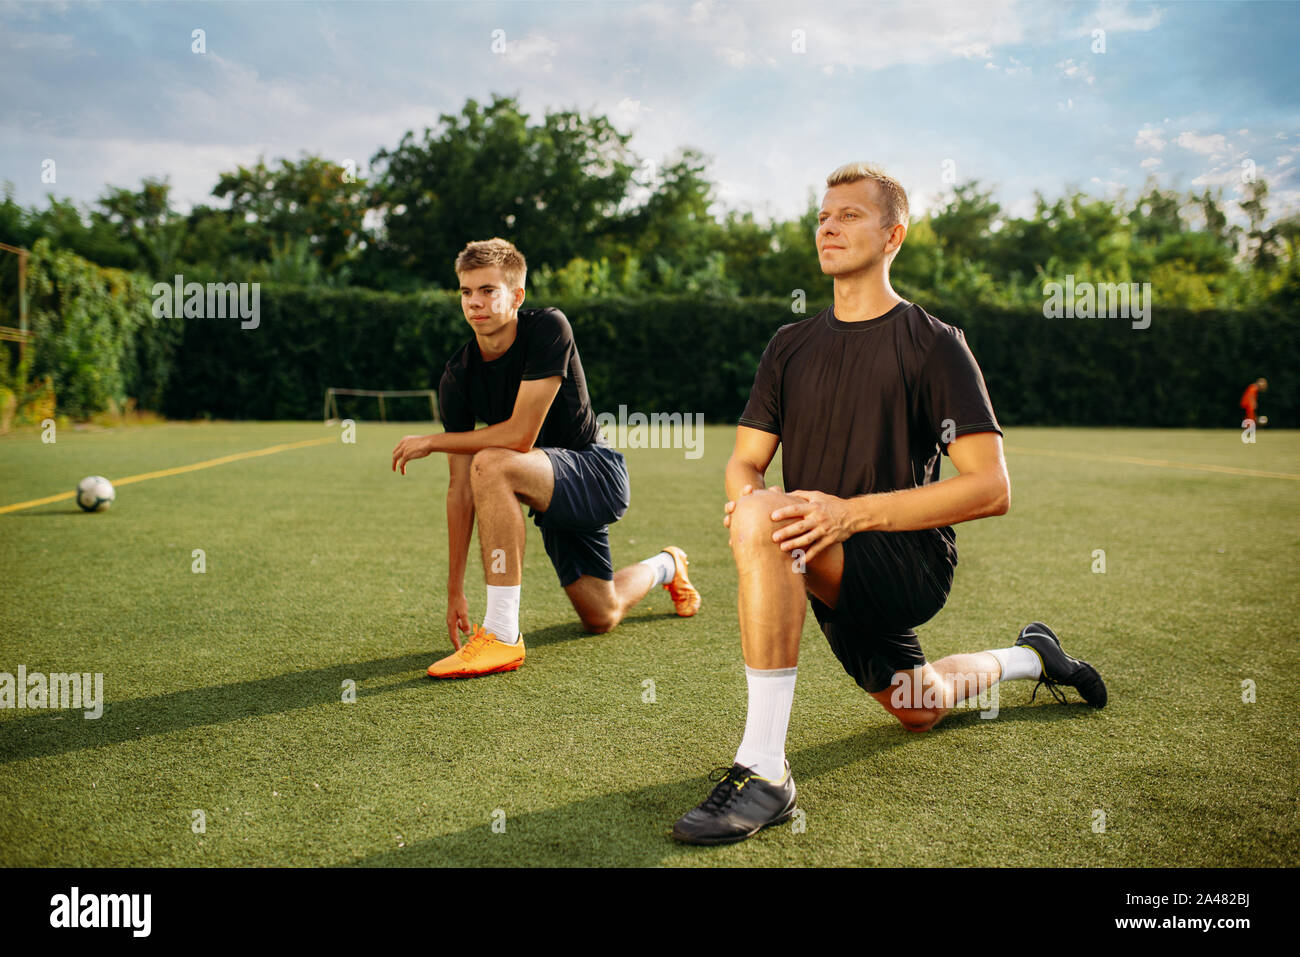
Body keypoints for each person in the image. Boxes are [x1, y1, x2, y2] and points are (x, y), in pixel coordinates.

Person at [671, 163, 1107, 846]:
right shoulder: (789, 346)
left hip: (905, 560)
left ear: (894, 233)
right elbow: (744, 462)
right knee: (919, 703)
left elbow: (989, 487)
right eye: (822, 215)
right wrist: (749, 499)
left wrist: (845, 513)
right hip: (819, 556)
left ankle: (764, 772)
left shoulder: (933, 343)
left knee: (767, 520)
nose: (828, 225)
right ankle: (1033, 656)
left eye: (849, 214)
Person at [392, 238, 700, 678]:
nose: (474, 303)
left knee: (492, 461)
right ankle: (668, 564)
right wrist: (454, 590)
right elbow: (459, 491)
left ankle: (501, 634)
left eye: (487, 290)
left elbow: (520, 436)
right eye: (465, 292)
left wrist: (435, 440)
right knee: (602, 614)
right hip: (547, 491)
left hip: (594, 473)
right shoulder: (457, 377)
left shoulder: (548, 328)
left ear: (517, 296)